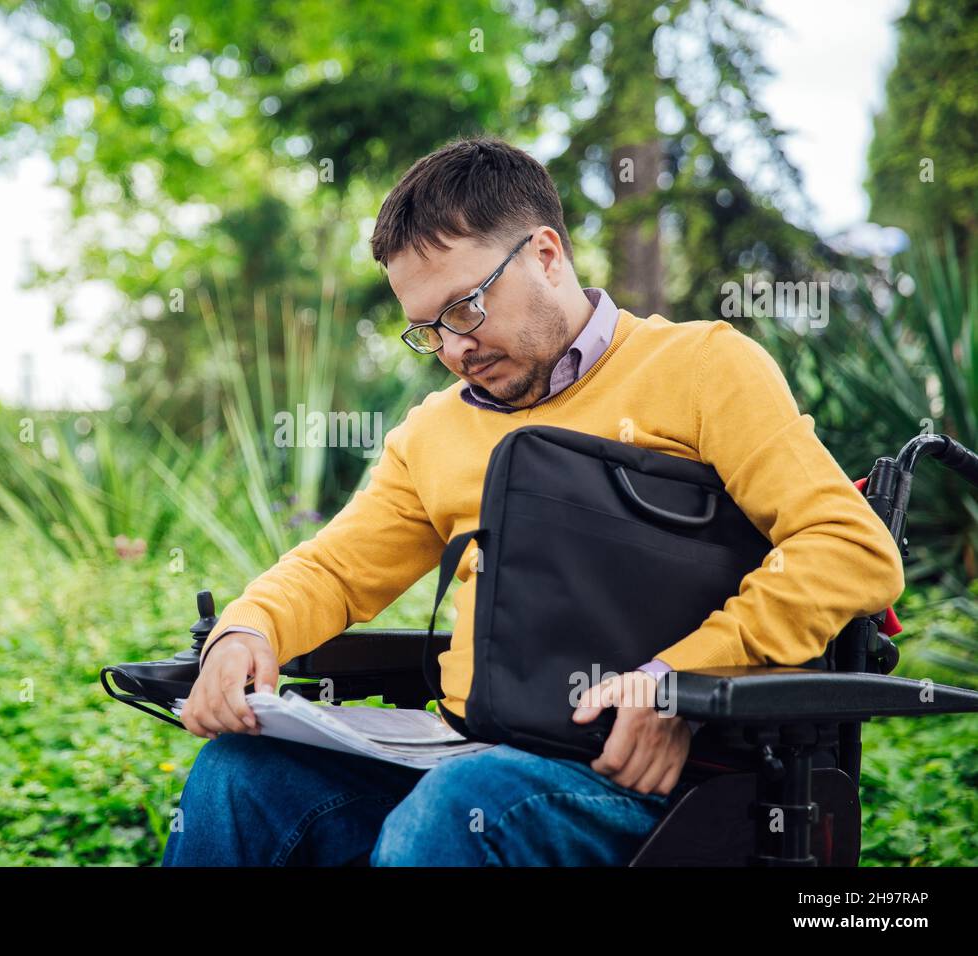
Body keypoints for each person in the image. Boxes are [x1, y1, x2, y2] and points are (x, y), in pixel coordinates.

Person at [163, 136, 905, 866]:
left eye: (465, 308)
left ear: (547, 254)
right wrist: (246, 630)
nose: (454, 348)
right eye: (427, 330)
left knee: (460, 806)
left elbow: (849, 549)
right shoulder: (434, 431)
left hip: (659, 781)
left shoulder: (705, 368)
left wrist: (677, 683)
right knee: (241, 778)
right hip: (470, 758)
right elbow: (332, 570)